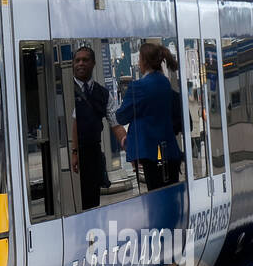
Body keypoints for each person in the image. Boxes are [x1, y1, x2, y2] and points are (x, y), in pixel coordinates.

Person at [115, 42, 183, 191]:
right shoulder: (165, 83)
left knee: (156, 195)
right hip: (168, 149)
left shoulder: (138, 87)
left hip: (151, 153)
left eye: (139, 58)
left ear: (144, 61)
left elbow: (121, 117)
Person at [70, 46, 127, 210]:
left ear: (94, 63)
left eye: (85, 60)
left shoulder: (103, 93)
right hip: (73, 154)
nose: (80, 64)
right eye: (77, 60)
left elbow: (115, 122)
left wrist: (125, 141)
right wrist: (74, 152)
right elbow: (72, 122)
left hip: (93, 155)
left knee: (92, 202)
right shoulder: (65, 91)